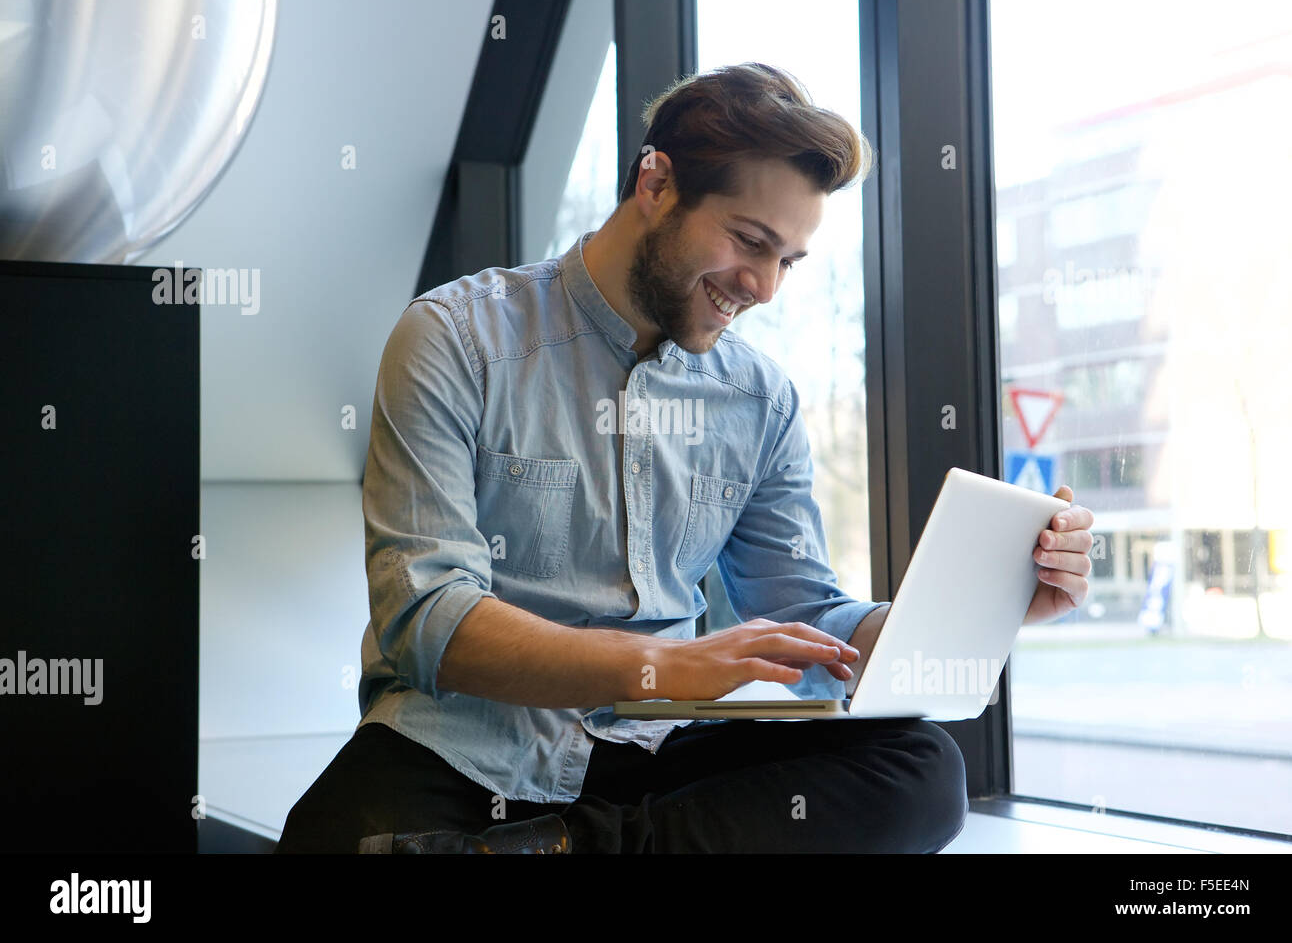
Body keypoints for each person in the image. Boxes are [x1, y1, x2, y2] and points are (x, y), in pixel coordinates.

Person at [276, 62, 1095, 854]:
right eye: (750, 240)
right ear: (656, 182)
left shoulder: (761, 400)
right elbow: (430, 621)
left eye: (789, 260)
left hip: (653, 754)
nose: (767, 287)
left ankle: (557, 848)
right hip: (460, 744)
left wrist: (974, 611)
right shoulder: (455, 339)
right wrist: (663, 663)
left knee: (921, 769)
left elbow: (804, 612)